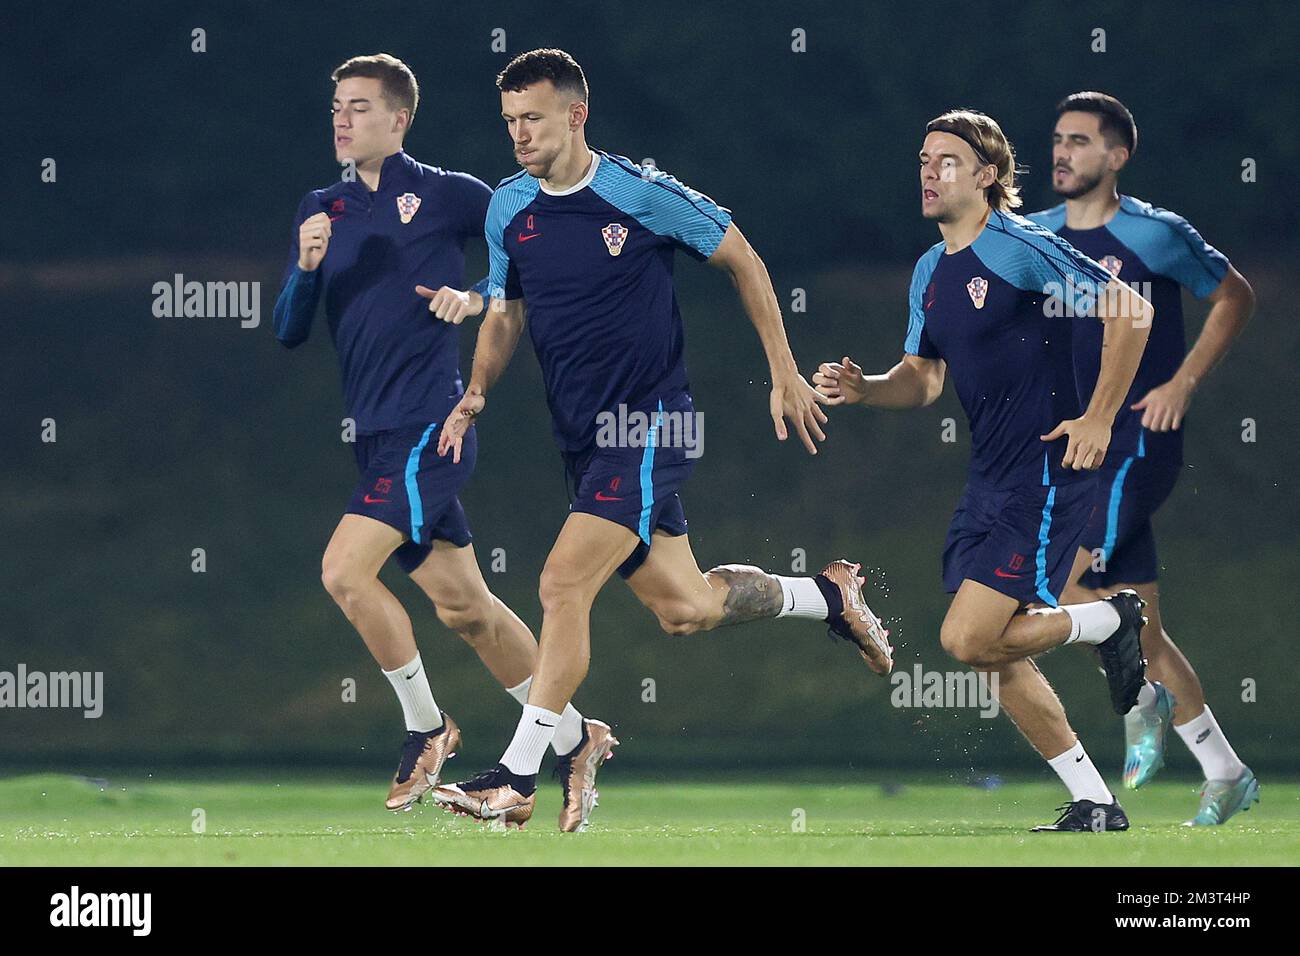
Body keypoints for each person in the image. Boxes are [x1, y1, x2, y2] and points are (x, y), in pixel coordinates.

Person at [430, 48, 892, 829]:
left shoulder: (638, 193)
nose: (519, 134)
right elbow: (505, 312)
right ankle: (826, 596)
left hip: (653, 424)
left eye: (532, 118)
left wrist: (783, 370)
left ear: (576, 115)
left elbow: (741, 256)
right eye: (509, 122)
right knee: (686, 609)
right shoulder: (509, 209)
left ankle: (517, 776)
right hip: (583, 438)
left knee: (560, 583)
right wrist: (475, 391)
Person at [273, 53, 611, 832]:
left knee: (344, 571)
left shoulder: (449, 194)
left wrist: (479, 294)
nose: (341, 118)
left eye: (359, 106)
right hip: (374, 436)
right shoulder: (321, 208)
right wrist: (304, 266)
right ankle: (576, 736)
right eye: (337, 104)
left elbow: (529, 264)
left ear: (399, 121)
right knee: (468, 611)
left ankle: (427, 726)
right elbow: (290, 331)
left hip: (433, 427)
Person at [815, 109, 1155, 832]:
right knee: (995, 655)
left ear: (987, 176)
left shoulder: (1022, 247)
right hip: (990, 480)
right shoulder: (930, 271)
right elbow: (923, 379)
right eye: (923, 160)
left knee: (967, 639)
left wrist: (1098, 417)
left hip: (1048, 469)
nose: (929, 173)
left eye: (946, 160)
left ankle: (1108, 618)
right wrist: (867, 388)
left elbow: (1131, 311)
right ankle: (1095, 801)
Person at [1029, 91, 1258, 825]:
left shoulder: (1155, 235)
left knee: (1042, 586)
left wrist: (1181, 382)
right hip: (1074, 451)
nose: (1062, 153)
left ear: (1117, 155)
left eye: (1080, 141)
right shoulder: (1035, 236)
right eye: (1057, 140)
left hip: (1136, 445)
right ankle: (1225, 771)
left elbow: (1235, 296)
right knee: (1141, 627)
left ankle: (1139, 707)